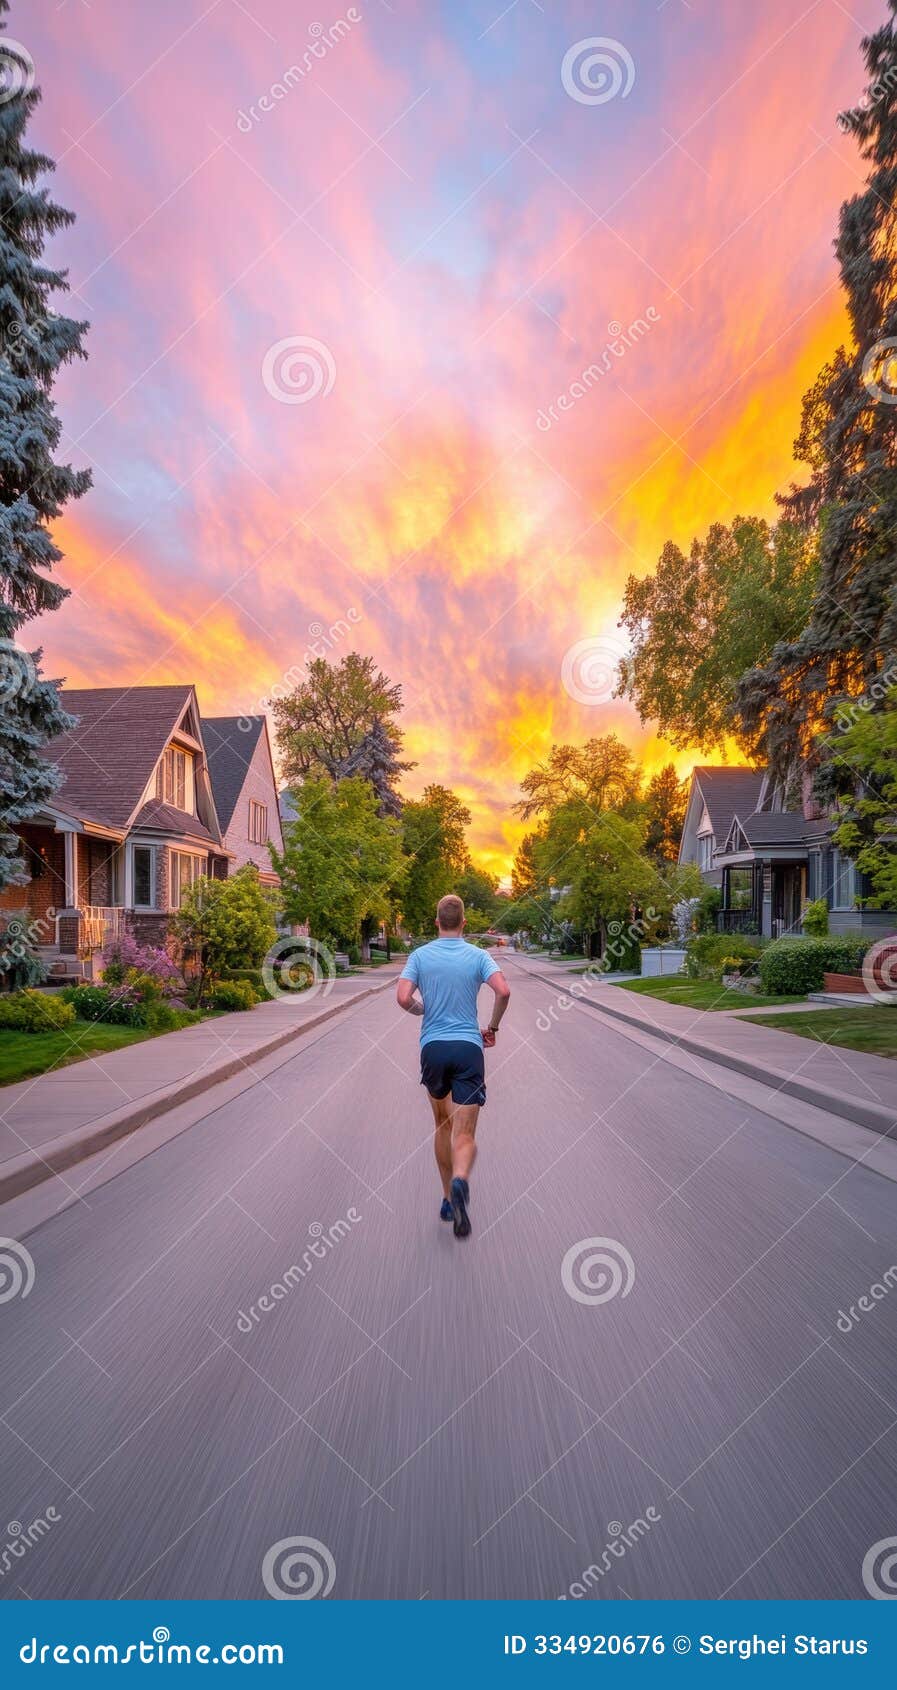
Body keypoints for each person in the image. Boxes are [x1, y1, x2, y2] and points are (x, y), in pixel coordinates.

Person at [396, 893, 511, 1238]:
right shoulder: (479, 956)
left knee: (442, 1126)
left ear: (436, 923)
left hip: (432, 1049)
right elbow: (503, 991)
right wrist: (492, 1028)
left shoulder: (420, 956)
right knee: (465, 1133)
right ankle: (461, 1179)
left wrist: (423, 1011)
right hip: (467, 1048)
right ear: (464, 923)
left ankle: (447, 1198)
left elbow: (403, 998)